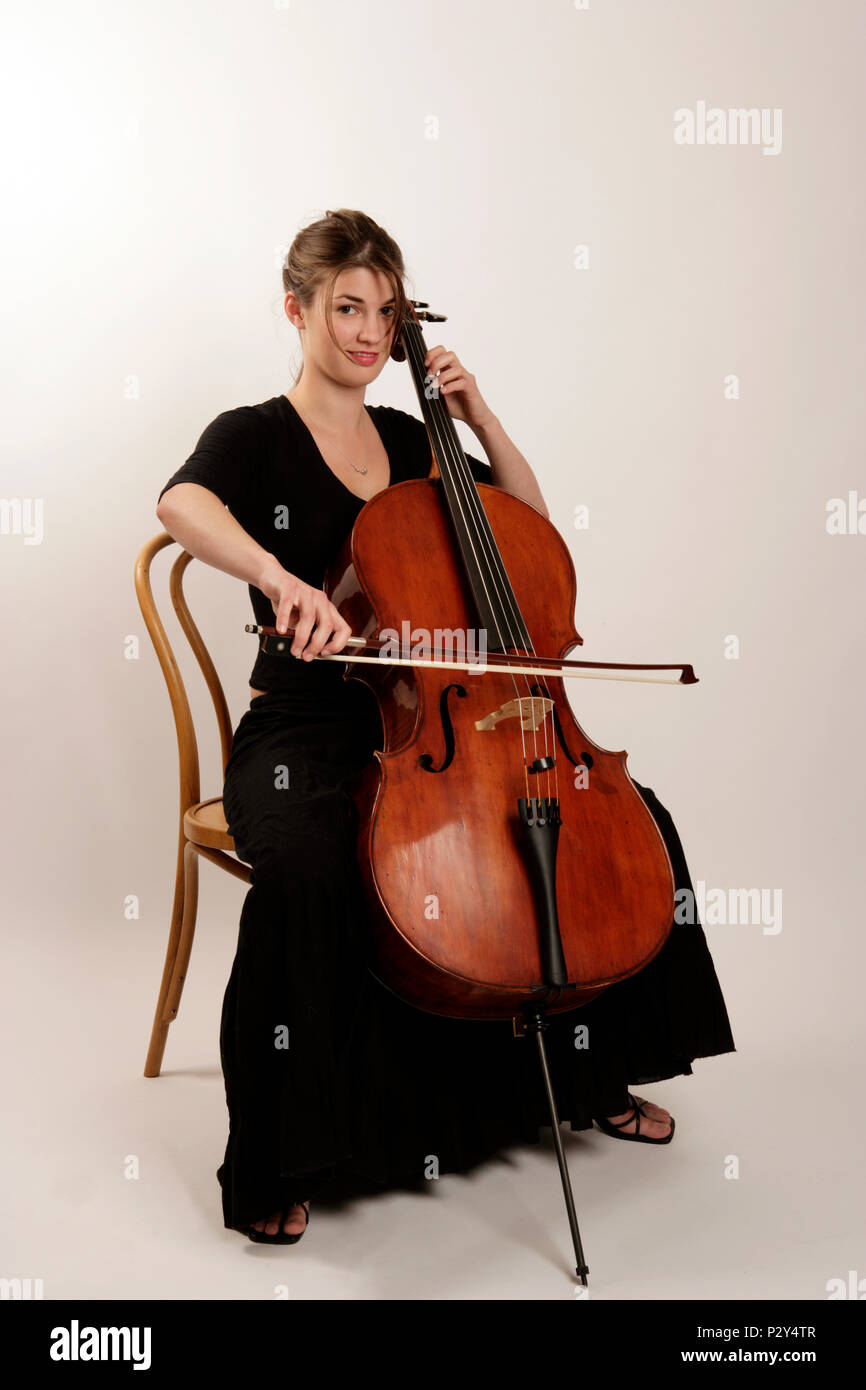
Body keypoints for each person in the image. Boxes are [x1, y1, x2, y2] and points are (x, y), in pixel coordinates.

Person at [155, 208, 735, 1245]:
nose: (368, 331)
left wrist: (481, 419)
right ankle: (278, 1158)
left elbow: (528, 533)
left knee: (622, 823)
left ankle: (584, 1078)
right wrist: (278, 575)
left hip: (441, 725)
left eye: (382, 310)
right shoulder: (253, 436)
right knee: (307, 872)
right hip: (305, 730)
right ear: (296, 311)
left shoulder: (409, 438)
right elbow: (180, 506)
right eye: (345, 308)